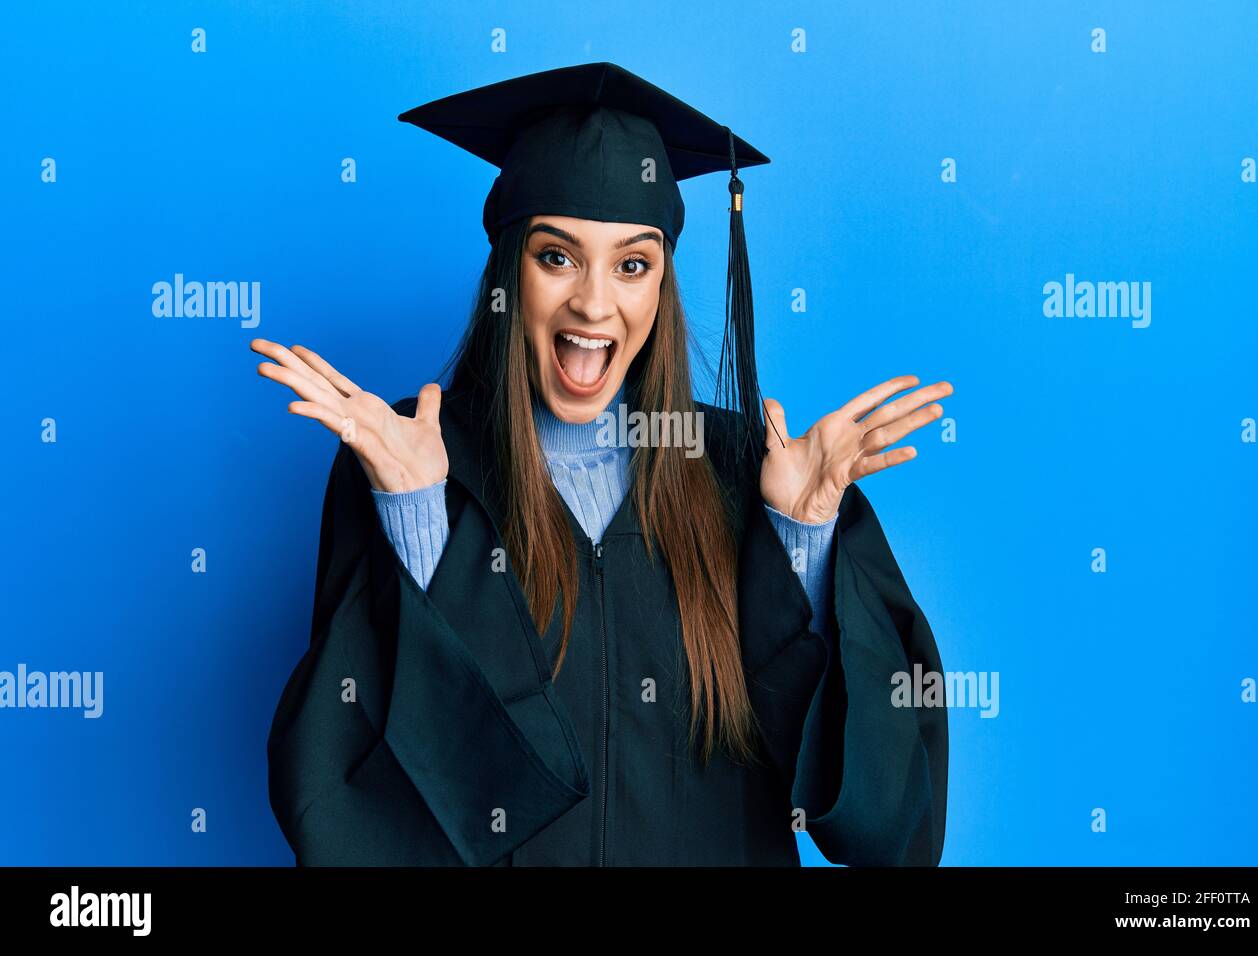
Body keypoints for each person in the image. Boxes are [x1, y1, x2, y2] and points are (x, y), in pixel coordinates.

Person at [256, 62, 953, 866]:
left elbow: (877, 810)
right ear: (510, 272)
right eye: (557, 257)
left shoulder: (747, 471)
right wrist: (421, 522)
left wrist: (799, 544)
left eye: (632, 264)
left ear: (662, 283)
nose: (594, 303)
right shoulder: (414, 463)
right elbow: (345, 797)